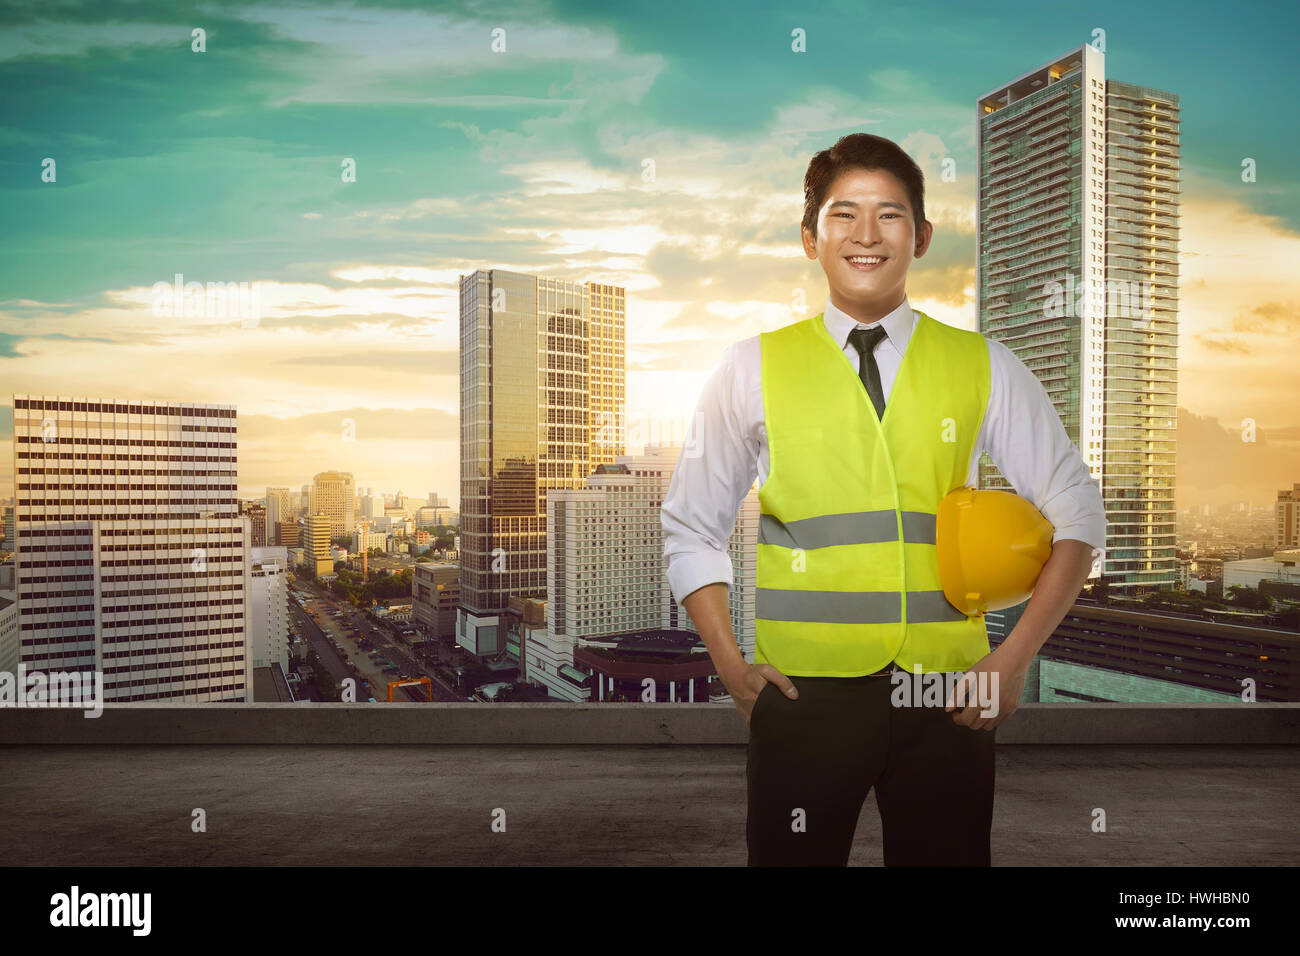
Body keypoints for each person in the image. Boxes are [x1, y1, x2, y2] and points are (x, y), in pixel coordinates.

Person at [660, 133, 1106, 866]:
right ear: (811, 238)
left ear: (922, 237)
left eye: (890, 215)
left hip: (949, 694)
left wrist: (1014, 658)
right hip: (803, 698)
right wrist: (731, 666)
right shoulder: (749, 369)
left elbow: (1078, 514)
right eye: (844, 215)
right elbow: (690, 529)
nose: (866, 235)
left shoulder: (983, 363)